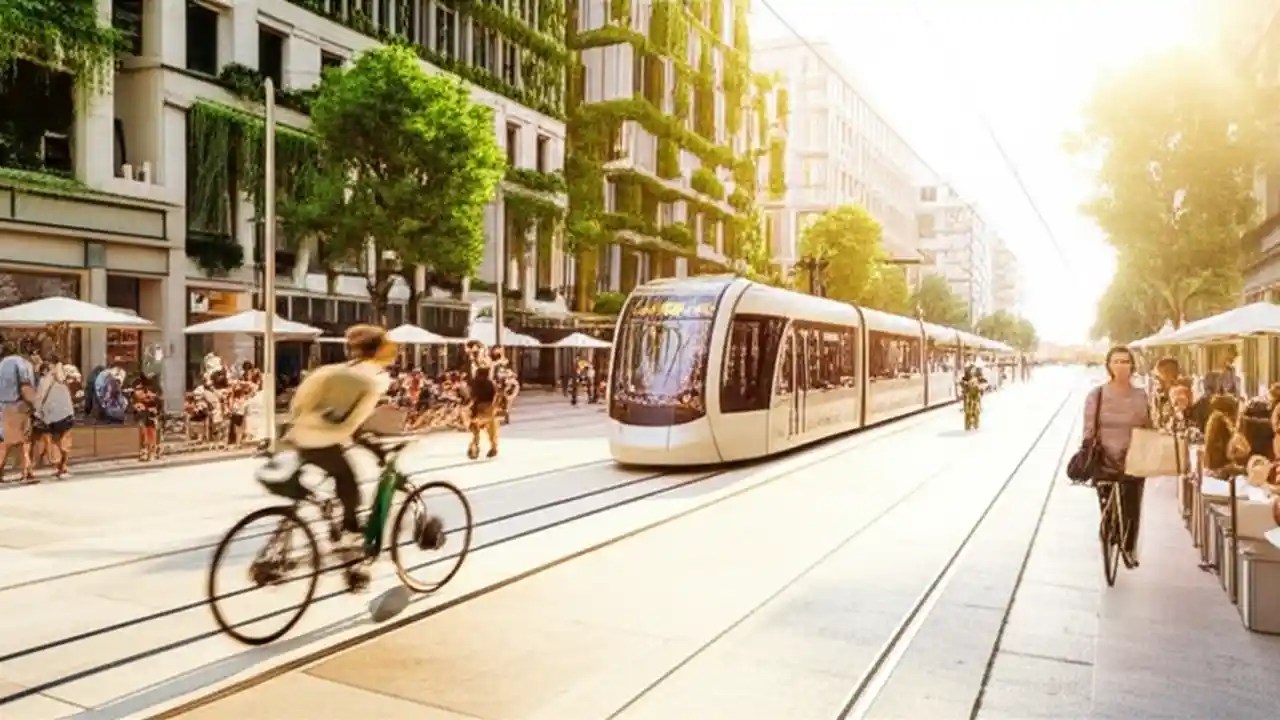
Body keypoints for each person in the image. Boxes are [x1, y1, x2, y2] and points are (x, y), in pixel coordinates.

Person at [280, 324, 397, 573]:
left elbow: (304, 403)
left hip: (298, 433)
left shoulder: (332, 370)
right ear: (379, 351)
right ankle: (349, 532)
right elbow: (353, 424)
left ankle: (331, 520)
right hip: (320, 438)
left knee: (331, 474)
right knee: (347, 478)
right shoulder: (372, 379)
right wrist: (377, 450)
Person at [1083, 346, 1152, 569]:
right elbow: (1088, 426)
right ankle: (1109, 531)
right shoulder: (1097, 394)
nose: (1121, 366)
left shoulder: (1141, 395)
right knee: (1106, 501)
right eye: (1116, 361)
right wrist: (1088, 446)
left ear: (1132, 365)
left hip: (1134, 456)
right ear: (1109, 365)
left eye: (1125, 361)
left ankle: (1129, 547)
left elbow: (1148, 424)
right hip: (1104, 456)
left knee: (1133, 504)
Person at [0, 342, 37, 483]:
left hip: (3, 406)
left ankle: (27, 470)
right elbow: (25, 386)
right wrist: (35, 404)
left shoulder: (1, 364)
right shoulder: (21, 363)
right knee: (22, 440)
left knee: (7, 441)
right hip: (17, 405)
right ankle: (26, 471)